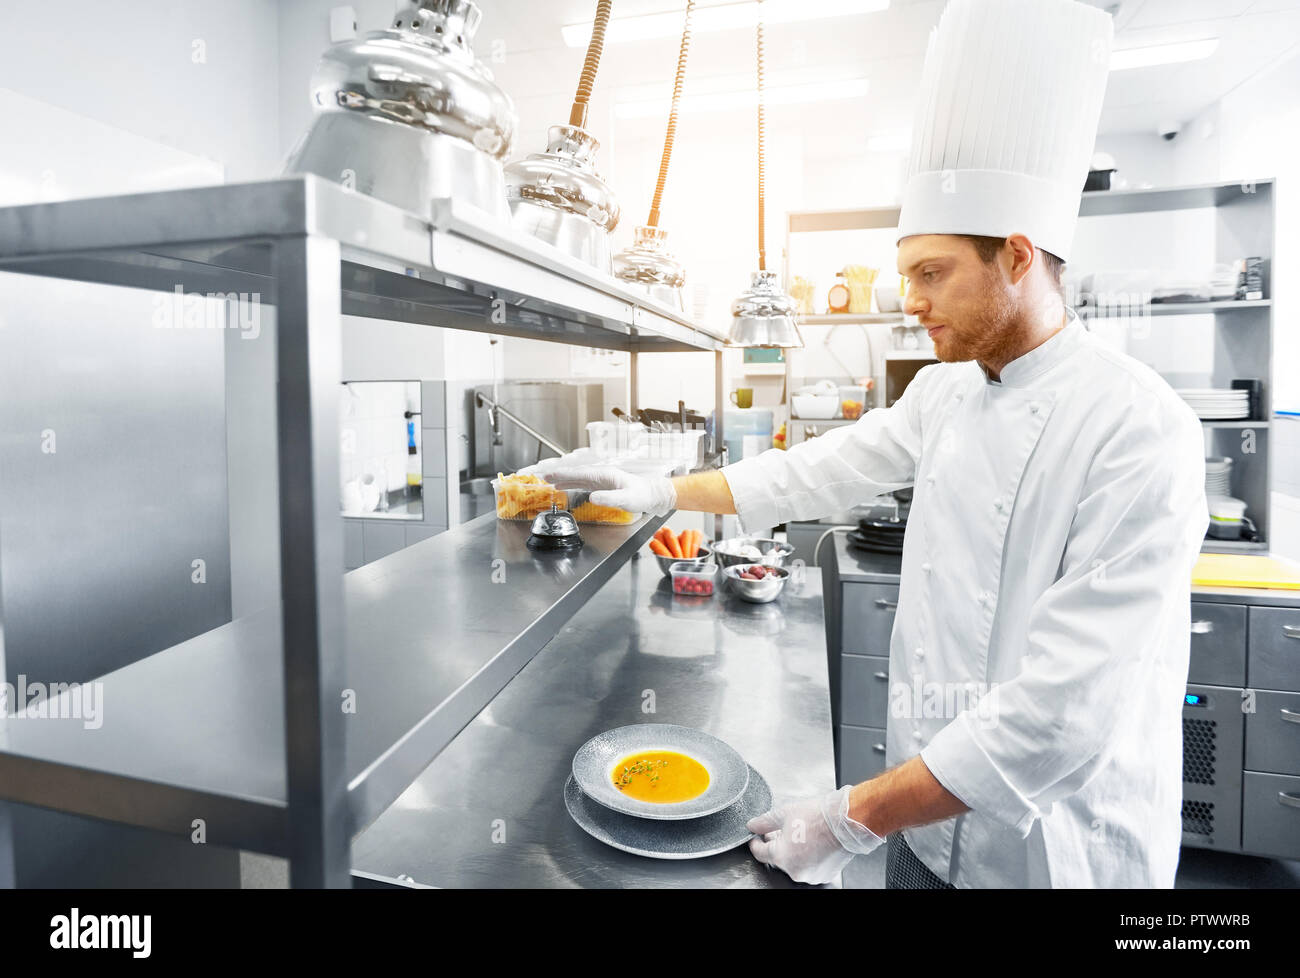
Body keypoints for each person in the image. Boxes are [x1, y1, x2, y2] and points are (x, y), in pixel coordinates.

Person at [544, 0, 1208, 888]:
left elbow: (1059, 718)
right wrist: (663, 489)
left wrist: (849, 817)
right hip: (923, 831)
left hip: (1057, 857)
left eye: (932, 273)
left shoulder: (1139, 430)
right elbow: (812, 471)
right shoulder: (946, 393)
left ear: (1016, 255)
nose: (912, 301)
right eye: (907, 276)